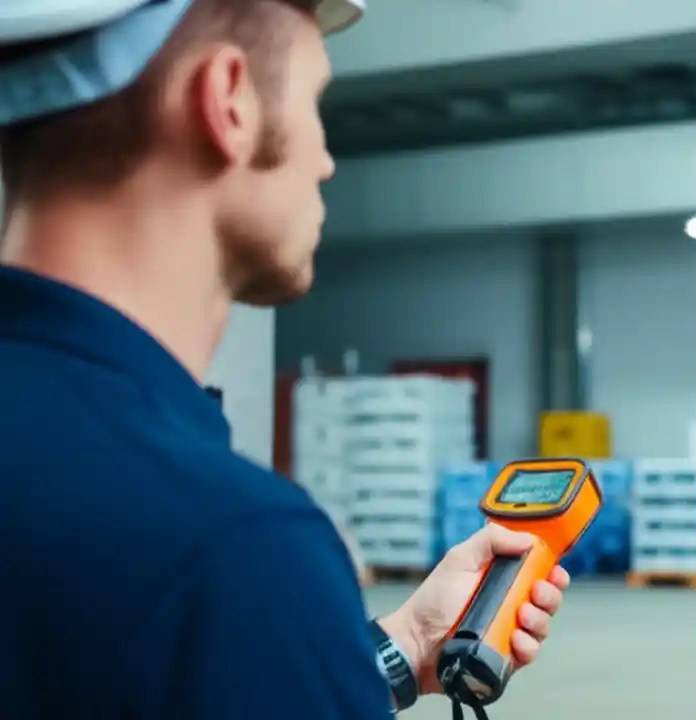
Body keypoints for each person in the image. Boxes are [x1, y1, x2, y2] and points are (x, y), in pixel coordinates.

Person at [0, 1, 570, 717]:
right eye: (314, 101)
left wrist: (398, 649)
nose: (327, 160)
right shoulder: (230, 552)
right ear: (228, 98)